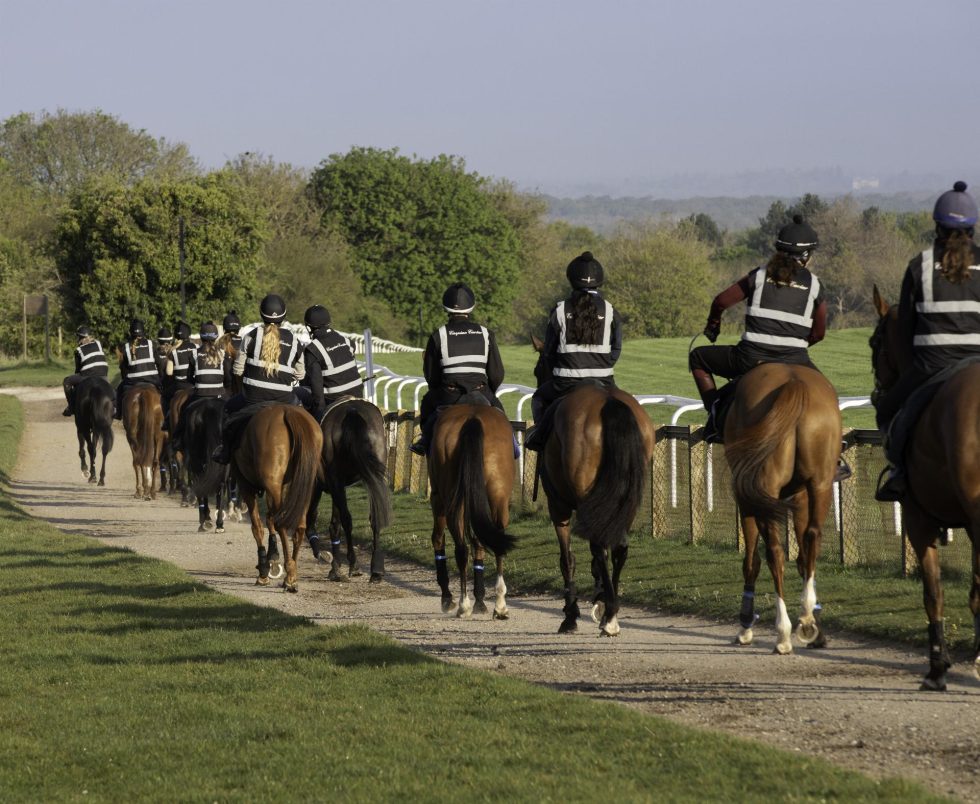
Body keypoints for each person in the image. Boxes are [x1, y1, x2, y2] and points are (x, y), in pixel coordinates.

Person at [874, 181, 980, 501]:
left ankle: (899, 473)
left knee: (889, 410)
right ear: (972, 229)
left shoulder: (919, 265)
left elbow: (904, 329)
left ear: (937, 226)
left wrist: (910, 372)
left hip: (932, 365)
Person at [689, 215, 827, 441]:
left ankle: (715, 415)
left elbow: (721, 302)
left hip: (750, 358)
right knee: (825, 392)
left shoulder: (759, 276)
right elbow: (819, 333)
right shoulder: (815, 284)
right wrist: (796, 345)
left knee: (698, 358)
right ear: (807, 255)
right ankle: (833, 452)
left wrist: (713, 326)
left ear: (779, 251)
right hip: (797, 359)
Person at [524, 251, 622, 452]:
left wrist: (561, 368)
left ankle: (539, 437)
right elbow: (616, 349)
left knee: (539, 398)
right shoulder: (611, 310)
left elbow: (549, 352)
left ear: (572, 279)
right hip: (604, 381)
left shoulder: (560, 310)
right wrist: (601, 366)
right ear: (599, 281)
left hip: (566, 382)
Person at [410, 283, 506, 456]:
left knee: (427, 403)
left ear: (446, 307)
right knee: (501, 417)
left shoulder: (438, 335)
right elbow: (497, 373)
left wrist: (438, 389)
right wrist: (489, 391)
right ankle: (512, 445)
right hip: (481, 392)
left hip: (449, 394)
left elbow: (431, 376)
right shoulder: (486, 333)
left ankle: (424, 441)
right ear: (472, 306)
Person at [212, 294, 305, 464]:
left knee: (228, 409)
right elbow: (300, 374)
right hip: (284, 398)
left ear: (262, 314)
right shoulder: (294, 340)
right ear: (283, 317)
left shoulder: (251, 336)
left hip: (253, 398)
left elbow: (238, 370)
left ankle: (225, 451)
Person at [296, 304, 363, 420]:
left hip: (333, 398)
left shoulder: (312, 350)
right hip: (358, 393)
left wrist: (319, 414)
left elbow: (317, 390)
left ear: (309, 327)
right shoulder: (348, 342)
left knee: (297, 393)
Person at [170, 321, 225, 453]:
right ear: (216, 337)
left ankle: (177, 439)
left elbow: (189, 378)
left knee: (184, 411)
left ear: (201, 337)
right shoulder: (223, 353)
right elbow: (227, 377)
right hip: (219, 395)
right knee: (231, 417)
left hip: (199, 395)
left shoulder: (194, 354)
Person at [114, 319, 161, 419]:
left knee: (119, 389)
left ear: (130, 332)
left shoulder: (125, 347)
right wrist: (160, 379)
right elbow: (159, 363)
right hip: (152, 381)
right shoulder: (151, 344)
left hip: (132, 383)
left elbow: (124, 370)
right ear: (143, 332)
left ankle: (118, 414)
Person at [62, 325, 110, 416]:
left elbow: (78, 370)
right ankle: (115, 408)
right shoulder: (98, 343)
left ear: (80, 338)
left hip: (87, 375)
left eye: (78, 337)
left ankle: (71, 407)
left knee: (66, 381)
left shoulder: (78, 350)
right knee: (111, 392)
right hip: (103, 374)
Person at [161, 321, 197, 429]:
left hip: (179, 385)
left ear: (176, 335)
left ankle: (167, 419)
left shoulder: (173, 351)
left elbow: (169, 372)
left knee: (164, 396)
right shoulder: (194, 347)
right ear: (188, 334)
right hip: (192, 385)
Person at [217, 311, 243, 394]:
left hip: (224, 389)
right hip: (242, 389)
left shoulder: (219, 344)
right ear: (238, 328)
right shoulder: (244, 342)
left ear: (224, 328)